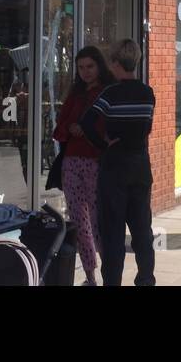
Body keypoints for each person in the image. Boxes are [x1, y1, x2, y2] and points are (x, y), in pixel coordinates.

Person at [80, 38, 156, 286]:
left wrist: (103, 145)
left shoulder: (110, 93)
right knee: (142, 230)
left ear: (114, 63)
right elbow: (147, 128)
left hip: (114, 168)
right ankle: (145, 279)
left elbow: (87, 123)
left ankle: (112, 281)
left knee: (113, 234)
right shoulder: (148, 93)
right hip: (140, 166)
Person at [54, 45, 111, 285]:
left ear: (99, 66)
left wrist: (86, 130)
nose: (85, 72)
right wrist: (70, 128)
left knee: (98, 220)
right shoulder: (75, 94)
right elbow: (60, 126)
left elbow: (108, 127)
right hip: (72, 163)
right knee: (79, 220)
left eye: (90, 66)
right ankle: (89, 275)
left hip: (96, 162)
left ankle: (110, 272)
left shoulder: (107, 92)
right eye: (80, 68)